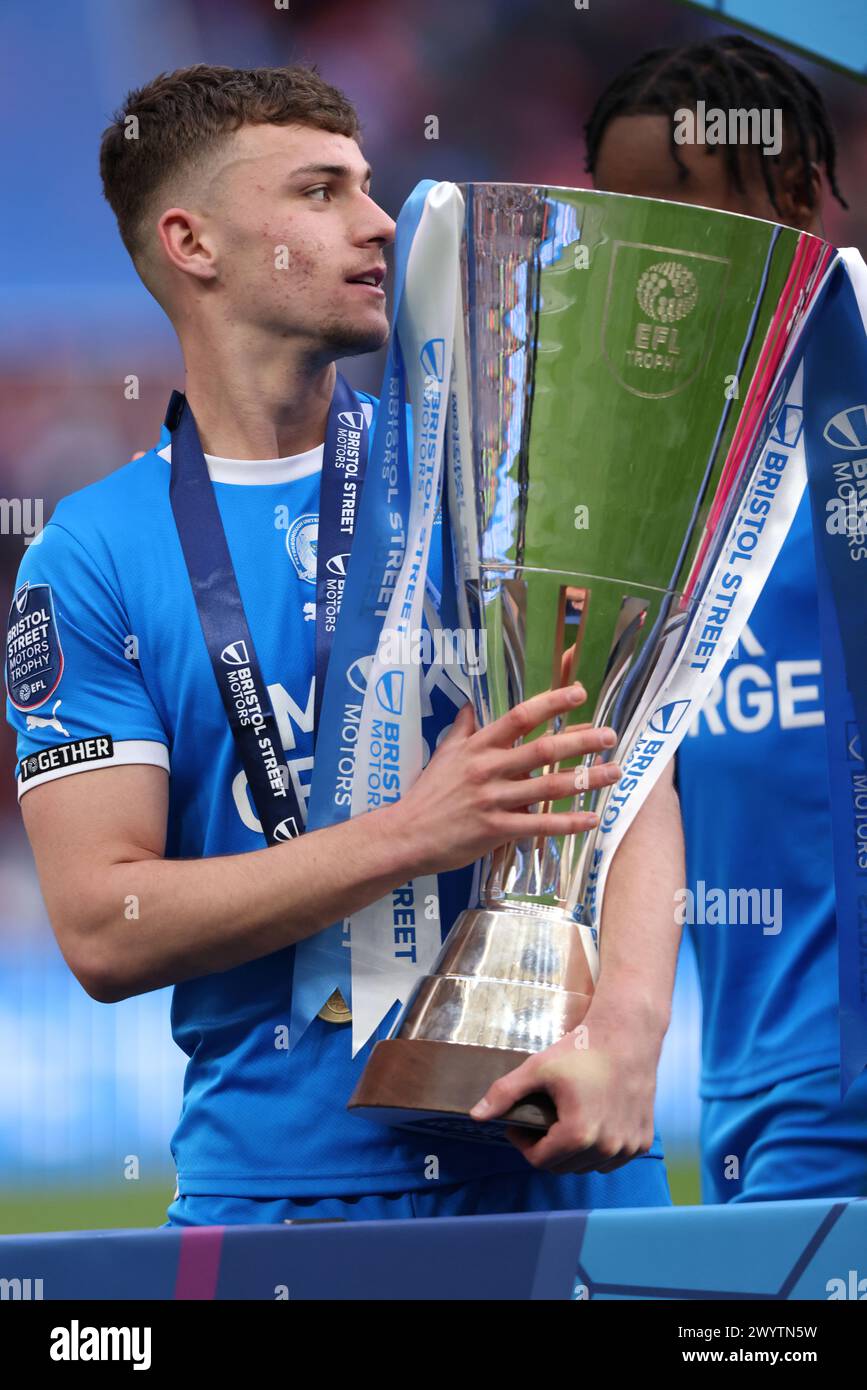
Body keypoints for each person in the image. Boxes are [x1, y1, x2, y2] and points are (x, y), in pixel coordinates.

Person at [5, 64, 682, 1226]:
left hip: (555, 1168)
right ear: (194, 242)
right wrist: (412, 834)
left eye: (369, 186)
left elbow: (630, 766)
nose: (379, 222)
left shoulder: (495, 474)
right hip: (279, 1195)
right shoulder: (92, 554)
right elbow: (101, 925)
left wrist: (626, 1032)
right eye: (322, 192)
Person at [586, 33, 867, 1202]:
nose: (653, 254)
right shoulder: (608, 481)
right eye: (620, 214)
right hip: (783, 1102)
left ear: (796, 194)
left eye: (682, 208)